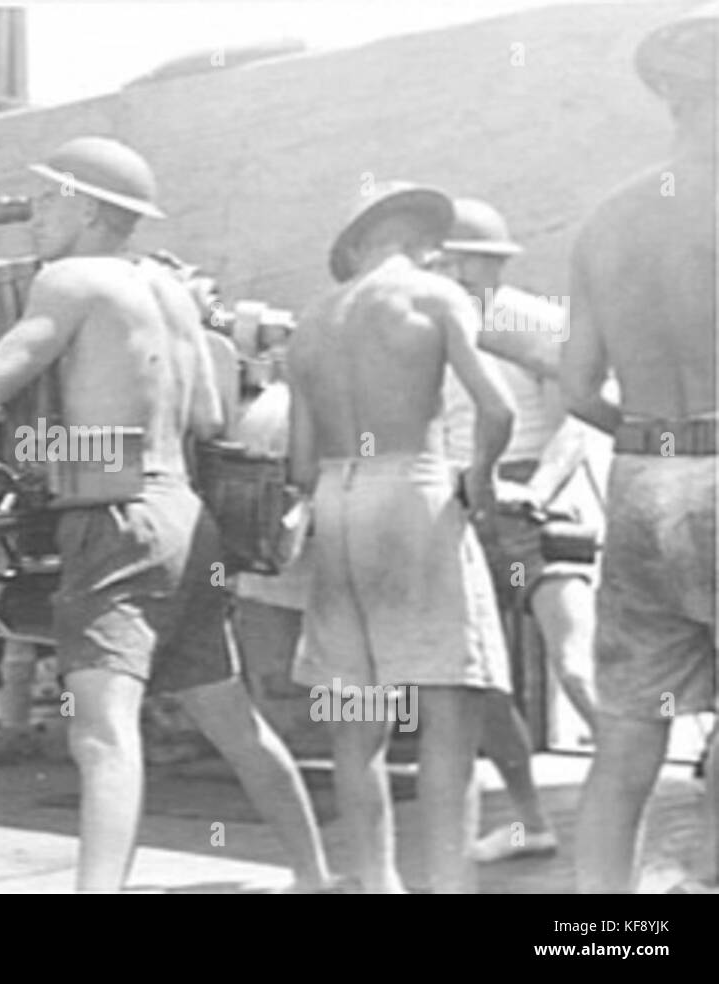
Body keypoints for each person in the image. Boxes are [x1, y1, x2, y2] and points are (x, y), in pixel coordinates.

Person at [0, 136, 336, 893]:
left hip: (116, 527)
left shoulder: (69, 280)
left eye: (47, 198)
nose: (33, 214)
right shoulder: (170, 296)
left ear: (90, 209)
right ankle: (316, 879)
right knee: (234, 723)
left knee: (99, 734)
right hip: (185, 522)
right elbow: (203, 416)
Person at [288, 182, 515, 892]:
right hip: (414, 493)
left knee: (356, 719)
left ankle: (377, 883)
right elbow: (498, 407)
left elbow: (296, 463)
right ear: (421, 239)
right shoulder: (434, 296)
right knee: (450, 702)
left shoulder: (311, 320)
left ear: (355, 244)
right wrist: (480, 477)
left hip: (335, 500)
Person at [565, 6, 718, 894]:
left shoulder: (609, 220)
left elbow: (579, 387)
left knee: (627, 738)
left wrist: (653, 436)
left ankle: (602, 937)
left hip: (640, 477)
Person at [434, 198, 607, 863]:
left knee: (574, 661)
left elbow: (579, 420)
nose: (456, 271)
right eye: (445, 259)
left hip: (540, 502)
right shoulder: (429, 325)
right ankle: (532, 821)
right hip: (460, 499)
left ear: (495, 260)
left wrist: (531, 494)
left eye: (467, 259)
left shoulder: (531, 319)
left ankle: (638, 796)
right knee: (479, 680)